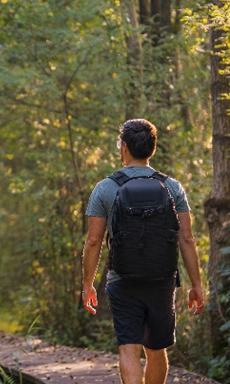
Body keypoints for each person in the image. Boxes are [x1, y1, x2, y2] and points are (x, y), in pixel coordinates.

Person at [81, 118, 205, 384]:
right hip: (162, 280)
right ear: (153, 148)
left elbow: (93, 241)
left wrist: (87, 285)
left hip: (122, 281)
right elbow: (186, 238)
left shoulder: (105, 188)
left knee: (129, 348)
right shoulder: (172, 187)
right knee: (156, 349)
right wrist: (197, 284)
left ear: (124, 147)